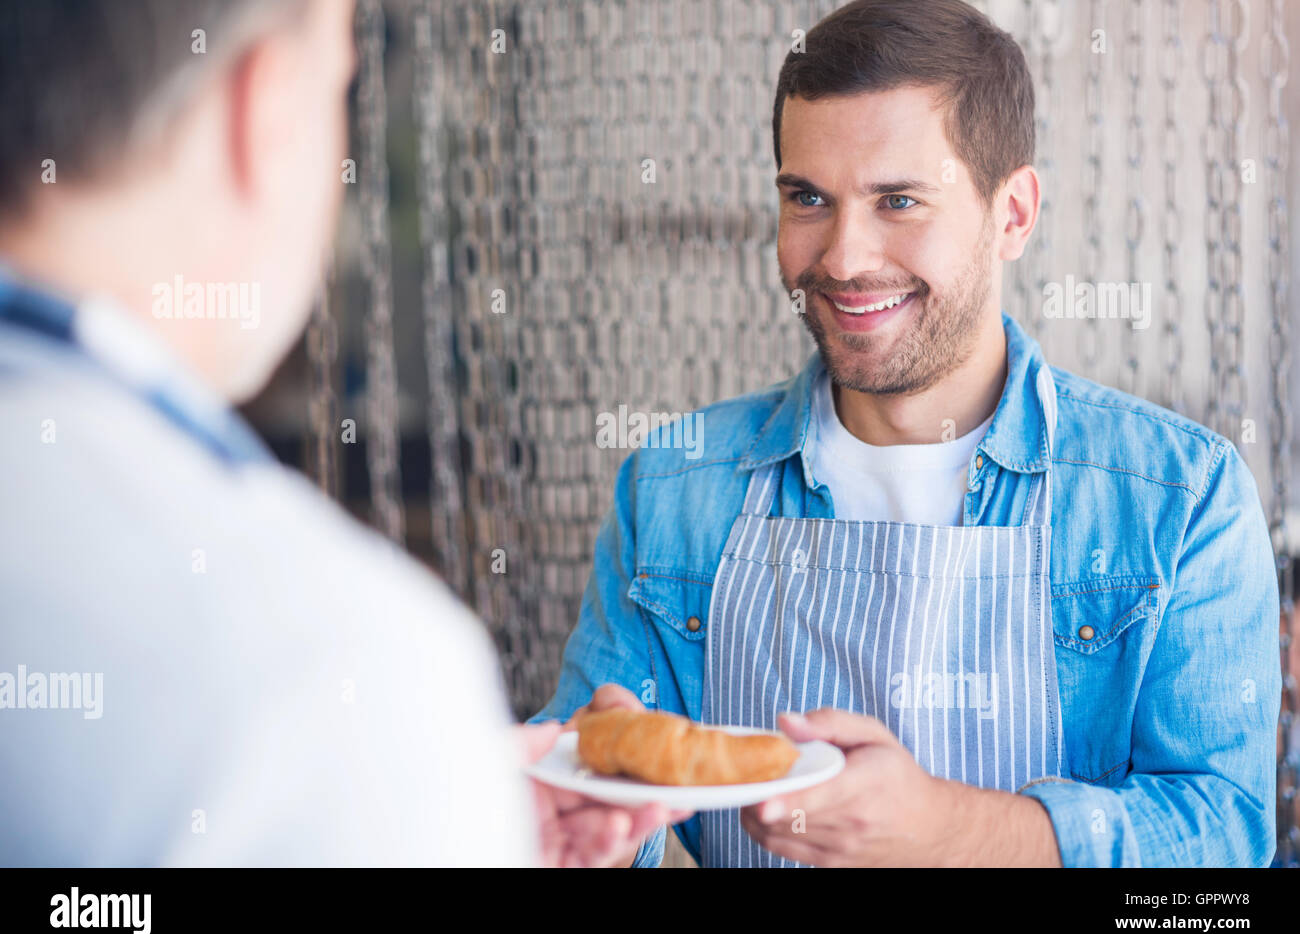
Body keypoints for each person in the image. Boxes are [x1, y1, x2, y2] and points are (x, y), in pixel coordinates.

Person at [530, 0, 1281, 867]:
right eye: (808, 197)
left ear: (1013, 215)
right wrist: (597, 824)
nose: (845, 257)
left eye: (898, 200)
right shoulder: (669, 490)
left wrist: (946, 832)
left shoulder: (1180, 500)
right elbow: (590, 812)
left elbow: (1222, 855)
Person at [0, 0, 674, 867]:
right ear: (268, 110)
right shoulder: (329, 669)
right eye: (341, 93)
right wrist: (414, 789)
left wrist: (450, 800)